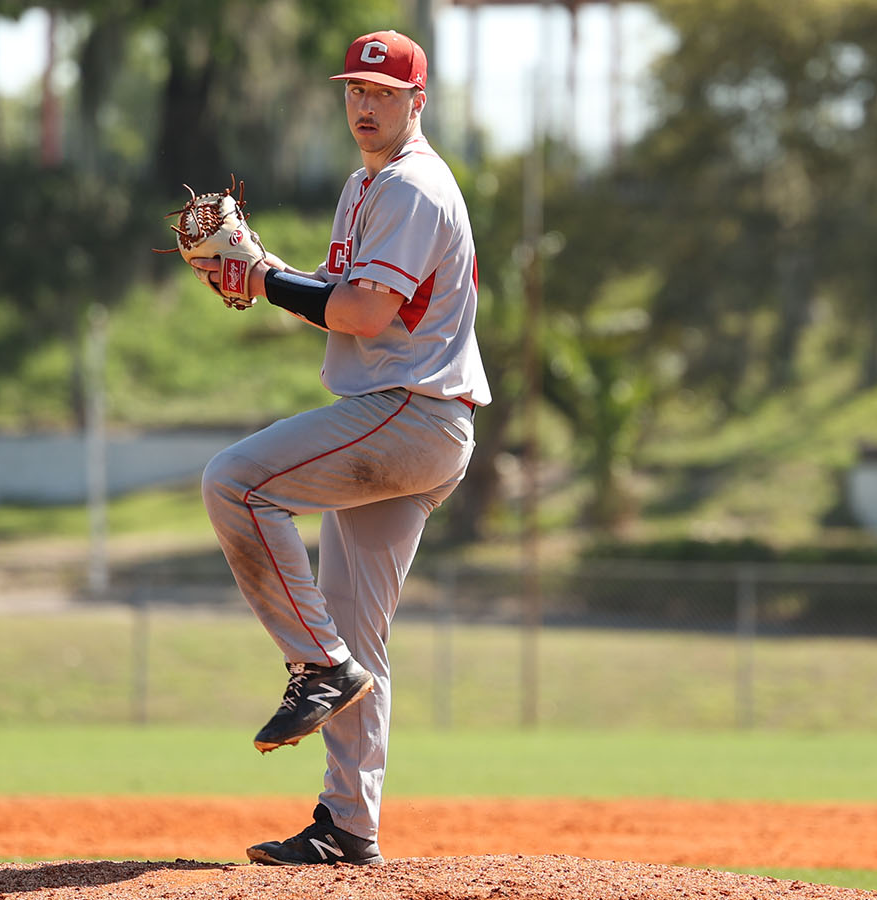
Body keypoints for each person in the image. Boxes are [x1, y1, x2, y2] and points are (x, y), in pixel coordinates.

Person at [194, 29, 488, 866]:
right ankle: (349, 826)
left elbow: (364, 317)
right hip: (409, 417)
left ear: (416, 102)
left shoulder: (413, 186)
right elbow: (342, 296)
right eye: (355, 89)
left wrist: (261, 281)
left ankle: (315, 665)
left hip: (410, 413)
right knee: (360, 635)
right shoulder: (369, 184)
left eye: (383, 92)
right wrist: (261, 267)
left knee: (235, 483)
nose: (364, 104)